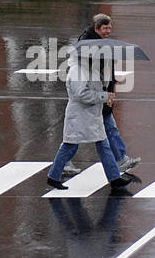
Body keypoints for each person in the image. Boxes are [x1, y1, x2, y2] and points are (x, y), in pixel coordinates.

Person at [45, 49, 132, 195]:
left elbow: (93, 87)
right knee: (69, 146)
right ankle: (53, 176)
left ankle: (115, 178)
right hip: (79, 115)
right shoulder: (77, 70)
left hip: (92, 115)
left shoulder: (88, 69)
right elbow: (81, 94)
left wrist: (105, 88)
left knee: (104, 146)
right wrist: (103, 96)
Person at [63, 12, 139, 176]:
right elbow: (87, 70)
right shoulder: (85, 44)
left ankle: (121, 159)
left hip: (99, 91)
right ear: (97, 28)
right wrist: (104, 93)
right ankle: (63, 163)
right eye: (105, 28)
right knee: (76, 132)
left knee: (107, 126)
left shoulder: (105, 44)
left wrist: (110, 91)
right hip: (88, 91)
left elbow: (108, 71)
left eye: (110, 28)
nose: (108, 31)